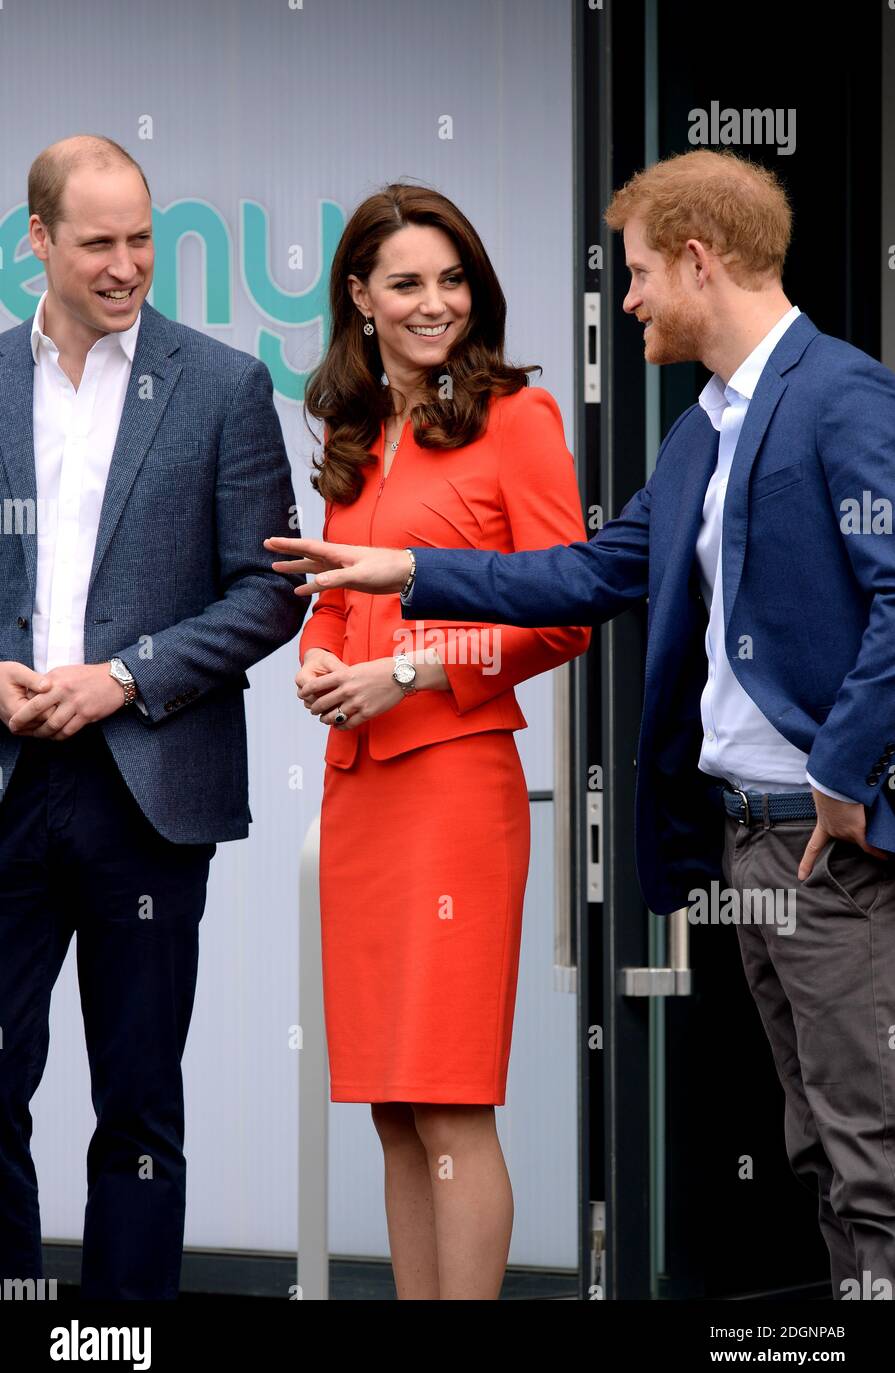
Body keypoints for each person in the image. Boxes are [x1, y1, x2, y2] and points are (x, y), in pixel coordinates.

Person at [267, 150, 895, 1299]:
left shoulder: (839, 394)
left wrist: (847, 769)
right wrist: (402, 572)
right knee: (820, 1142)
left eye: (642, 273)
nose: (630, 298)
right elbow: (590, 571)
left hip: (814, 829)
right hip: (743, 831)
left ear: (699, 263)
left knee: (867, 1152)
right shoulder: (701, 428)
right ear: (357, 296)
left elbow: (894, 590)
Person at [265, 182, 589, 1300]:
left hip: (454, 791)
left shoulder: (517, 420)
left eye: (452, 280)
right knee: (394, 1104)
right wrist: (319, 653)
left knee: (450, 1097)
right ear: (359, 298)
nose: (434, 303)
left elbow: (562, 611)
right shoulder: (360, 433)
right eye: (405, 282)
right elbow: (335, 596)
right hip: (360, 801)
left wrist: (405, 669)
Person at [0, 135, 305, 1299]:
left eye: (143, 239)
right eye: (99, 243)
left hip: (145, 787)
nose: (128, 265)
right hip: (10, 782)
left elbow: (270, 588)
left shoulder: (223, 385)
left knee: (135, 1102)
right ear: (39, 241)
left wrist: (122, 676)